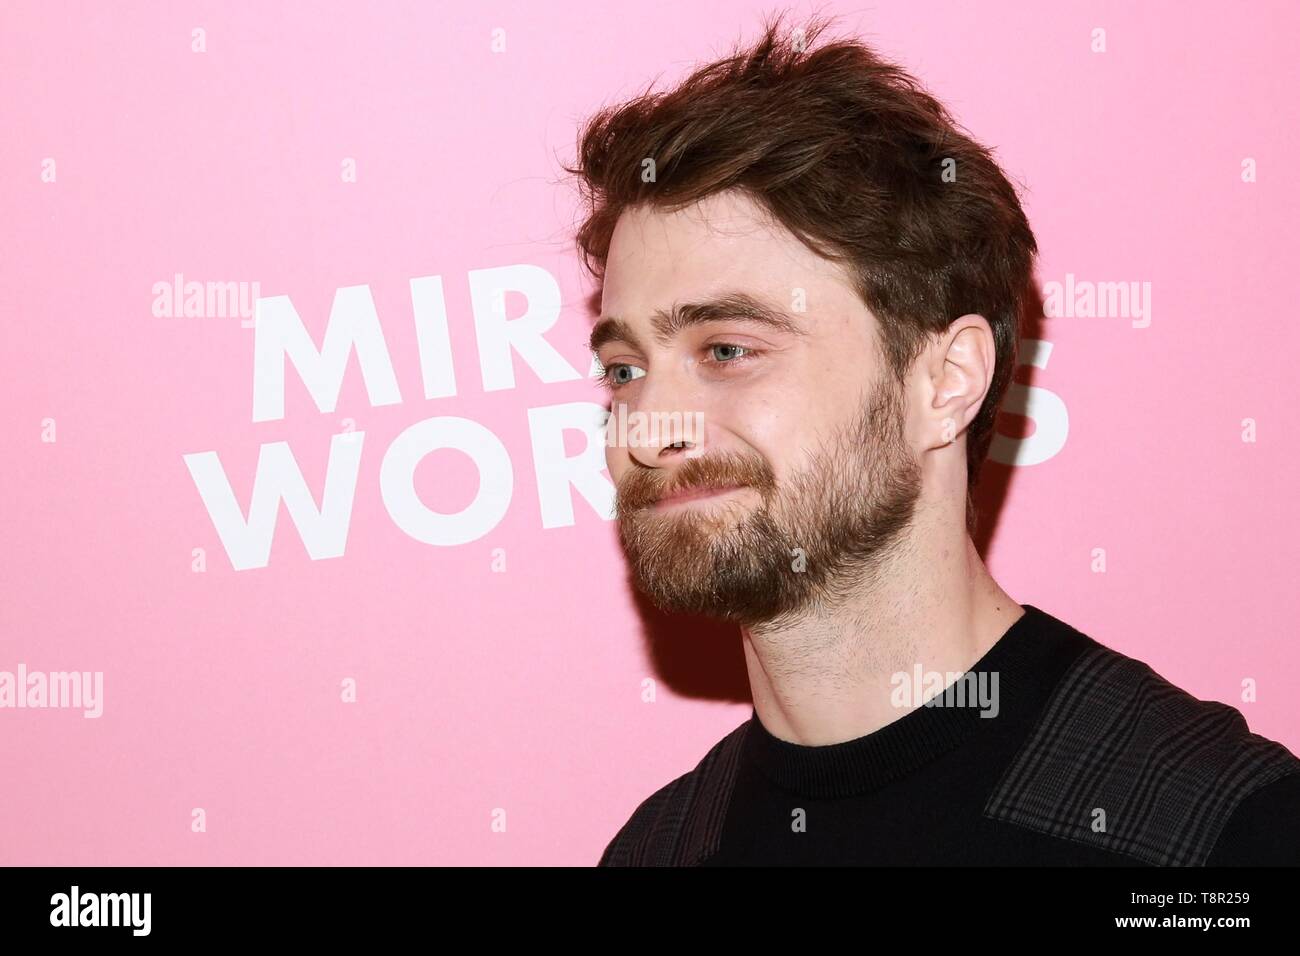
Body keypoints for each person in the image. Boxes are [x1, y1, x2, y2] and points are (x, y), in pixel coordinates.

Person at [566, 12, 1300, 866]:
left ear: (945, 381)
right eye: (623, 371)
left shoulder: (1215, 834)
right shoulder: (658, 851)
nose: (650, 427)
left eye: (728, 351)